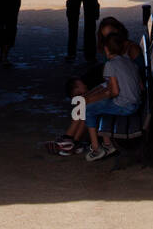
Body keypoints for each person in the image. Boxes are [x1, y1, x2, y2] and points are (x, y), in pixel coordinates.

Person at [48, 33, 143, 161]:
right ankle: (73, 141)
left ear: (106, 49)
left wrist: (100, 97)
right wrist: (93, 96)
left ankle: (97, 148)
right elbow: (111, 86)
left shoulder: (110, 65)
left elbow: (113, 91)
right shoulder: (126, 60)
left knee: (89, 110)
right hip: (135, 103)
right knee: (90, 106)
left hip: (125, 105)